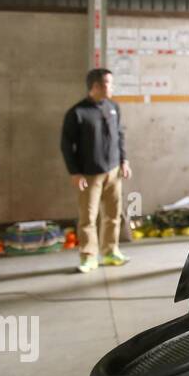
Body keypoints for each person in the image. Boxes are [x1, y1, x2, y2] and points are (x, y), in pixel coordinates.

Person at [61, 68, 130, 273]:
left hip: (114, 171)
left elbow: (120, 135)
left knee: (113, 215)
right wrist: (74, 172)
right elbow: (66, 145)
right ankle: (89, 256)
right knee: (88, 218)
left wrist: (124, 161)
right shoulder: (77, 113)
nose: (112, 87)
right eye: (108, 83)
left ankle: (110, 252)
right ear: (96, 86)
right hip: (89, 175)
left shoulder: (113, 107)